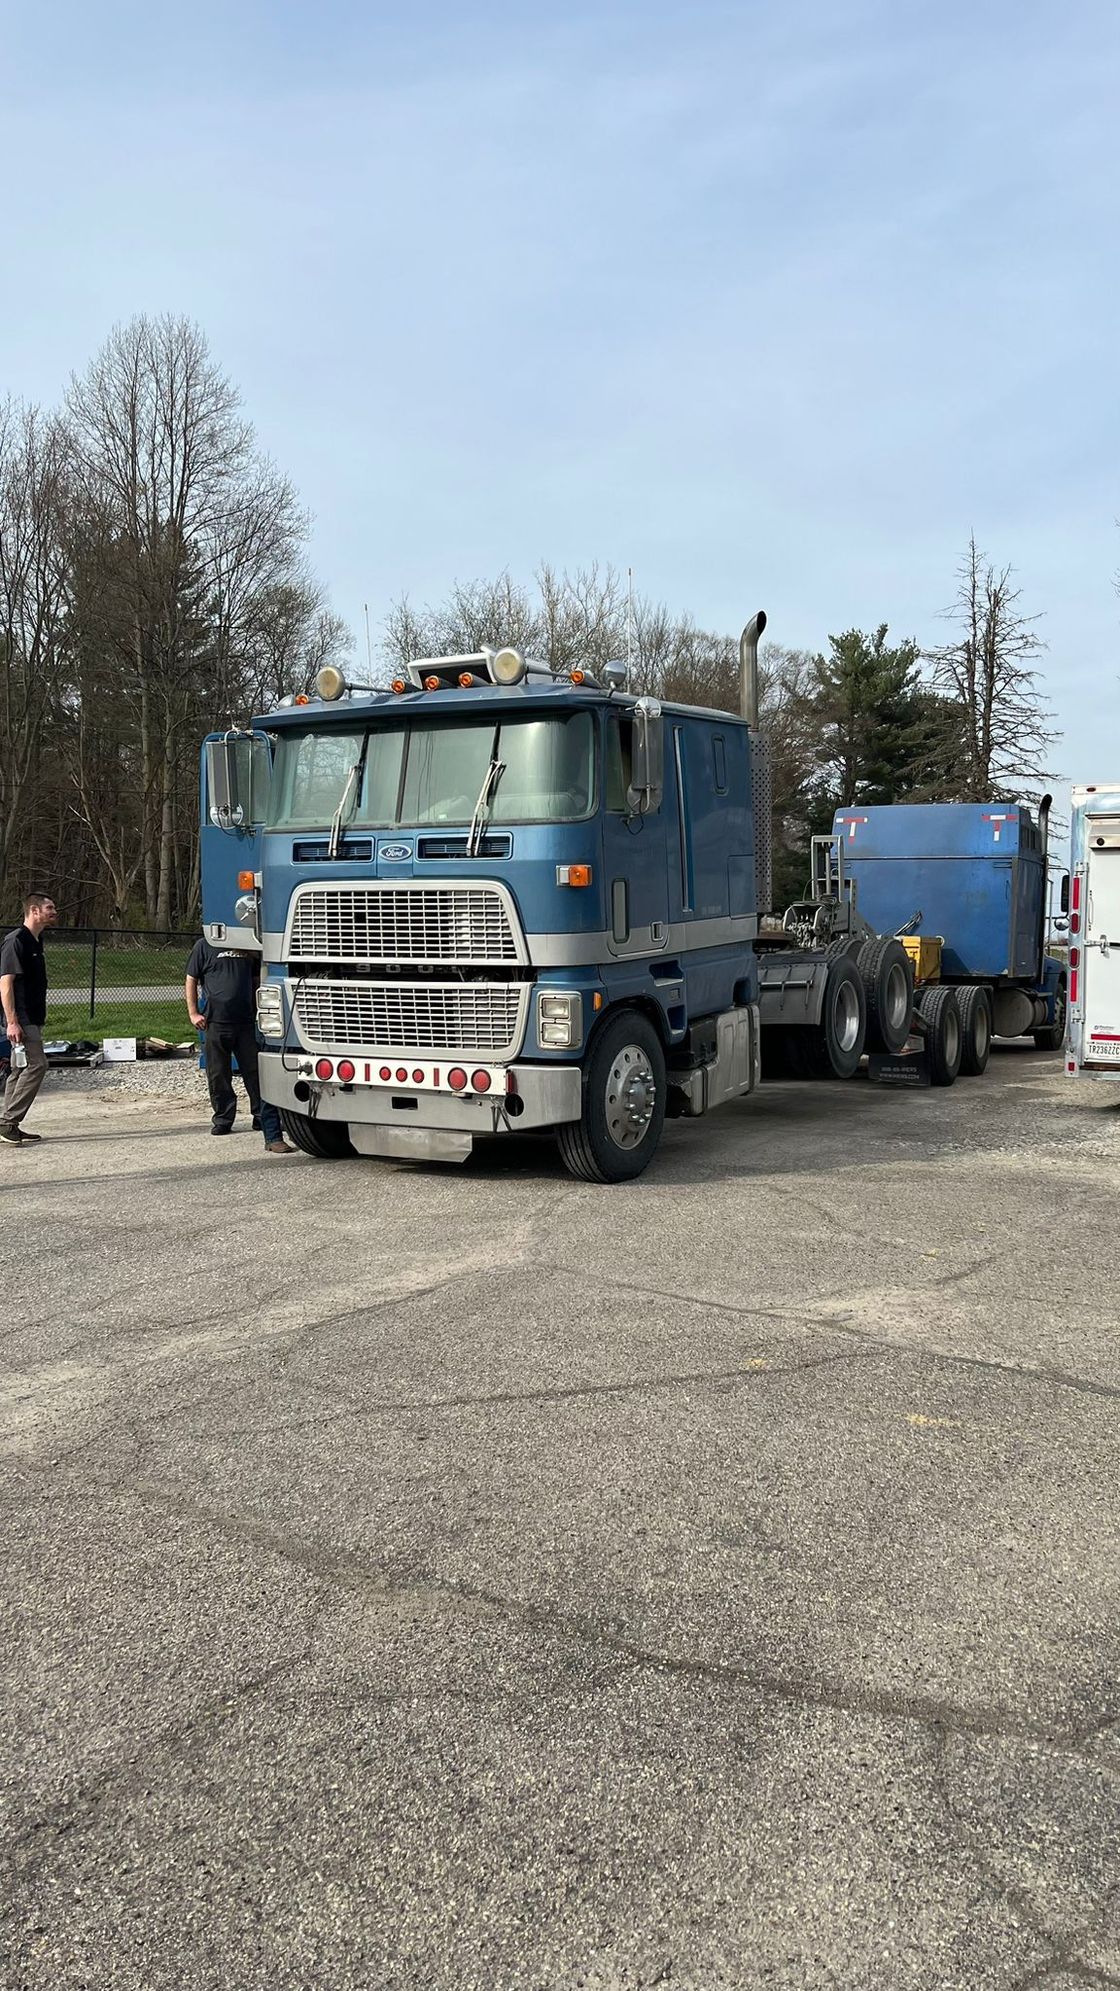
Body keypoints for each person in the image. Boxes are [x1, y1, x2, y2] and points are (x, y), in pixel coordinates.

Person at [184, 938, 294, 1154]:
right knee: (218, 1074)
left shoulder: (248, 945)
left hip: (245, 1022)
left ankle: (261, 1117)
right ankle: (223, 1119)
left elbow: (256, 979)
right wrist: (193, 1012)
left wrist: (258, 1010)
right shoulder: (204, 946)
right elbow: (191, 979)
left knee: (255, 1073)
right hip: (214, 1022)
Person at [1, 892, 59, 1147]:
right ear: (34, 911)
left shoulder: (36, 940)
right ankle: (8, 1121)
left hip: (32, 1017)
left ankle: (8, 1124)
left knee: (20, 1067)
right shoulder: (16, 941)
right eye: (49, 907)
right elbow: (5, 983)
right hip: (21, 1018)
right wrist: (13, 1021)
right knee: (38, 1065)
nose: (54, 911)